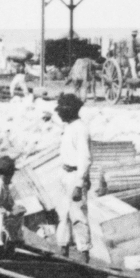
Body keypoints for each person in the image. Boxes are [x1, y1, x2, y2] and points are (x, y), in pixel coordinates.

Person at [54, 91, 92, 265]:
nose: (58, 113)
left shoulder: (80, 128)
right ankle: (63, 249)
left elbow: (85, 158)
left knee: (78, 216)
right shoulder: (69, 127)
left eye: (61, 110)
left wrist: (80, 182)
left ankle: (84, 253)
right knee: (63, 214)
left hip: (74, 175)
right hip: (64, 173)